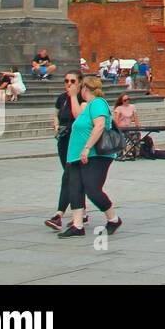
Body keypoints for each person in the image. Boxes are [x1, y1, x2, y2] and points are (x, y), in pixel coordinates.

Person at [58, 76, 122, 239]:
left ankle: (113, 219)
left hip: (95, 154)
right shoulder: (87, 107)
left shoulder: (98, 103)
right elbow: (78, 115)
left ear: (84, 89)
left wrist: (86, 148)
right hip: (76, 156)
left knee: (93, 190)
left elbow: (100, 126)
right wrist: (72, 96)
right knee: (76, 189)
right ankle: (78, 225)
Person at [45, 71, 89, 231]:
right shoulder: (62, 97)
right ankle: (82, 212)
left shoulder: (82, 99)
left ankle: (59, 214)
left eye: (72, 81)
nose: (68, 83)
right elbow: (56, 114)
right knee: (73, 176)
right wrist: (56, 126)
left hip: (76, 142)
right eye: (66, 80)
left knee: (69, 176)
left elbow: (79, 117)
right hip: (63, 141)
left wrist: (73, 96)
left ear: (80, 82)